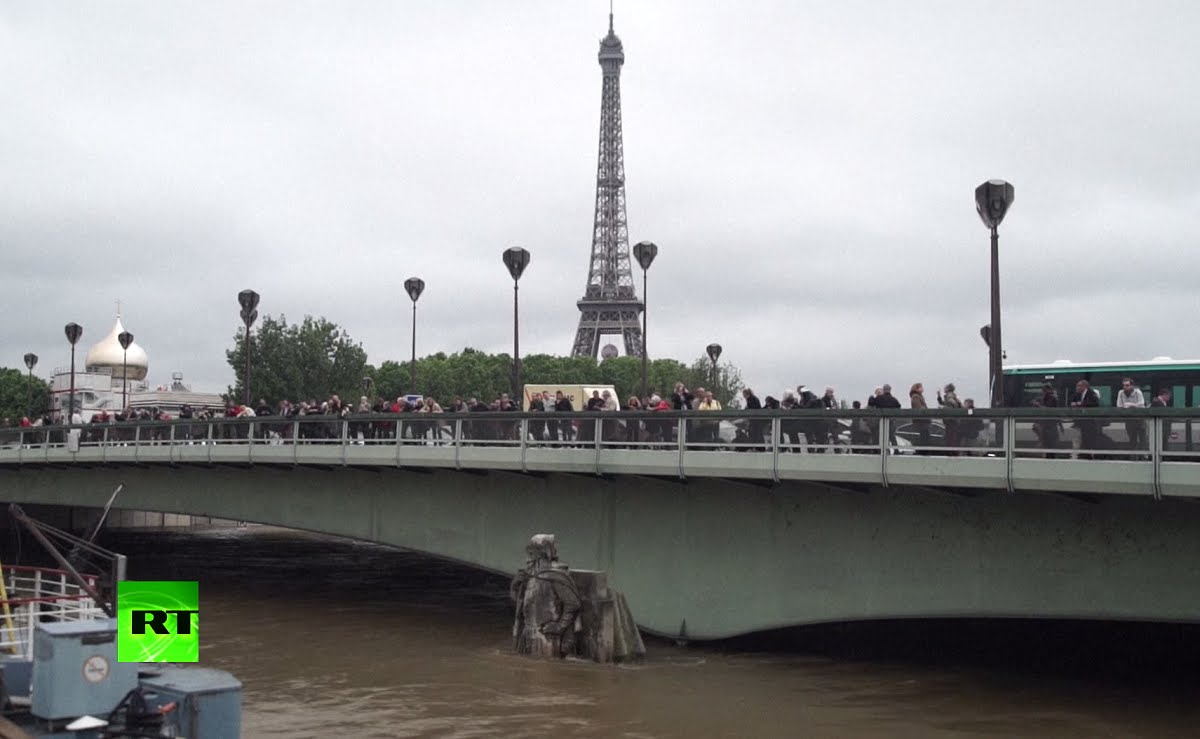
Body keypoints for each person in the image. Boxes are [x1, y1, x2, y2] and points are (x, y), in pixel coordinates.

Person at [1070, 380, 1102, 459]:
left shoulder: (1092, 394)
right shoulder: (1077, 394)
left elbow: (1094, 404)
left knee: (1090, 440)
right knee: (1081, 440)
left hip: (1090, 423)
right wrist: (1077, 404)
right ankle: (1082, 456)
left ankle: (1093, 456)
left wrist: (1079, 404)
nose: (1077, 388)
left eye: (1079, 386)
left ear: (1084, 386)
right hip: (1080, 422)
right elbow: (1072, 403)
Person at [1115, 377, 1147, 455]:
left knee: (1143, 440)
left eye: (1127, 385)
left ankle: (1144, 457)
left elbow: (1141, 404)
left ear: (1132, 386)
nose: (1125, 387)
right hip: (1129, 420)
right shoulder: (1121, 393)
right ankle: (1133, 457)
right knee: (1132, 440)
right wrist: (1126, 406)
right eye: (1124, 385)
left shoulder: (1138, 392)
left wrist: (1131, 405)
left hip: (1140, 420)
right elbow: (1119, 405)